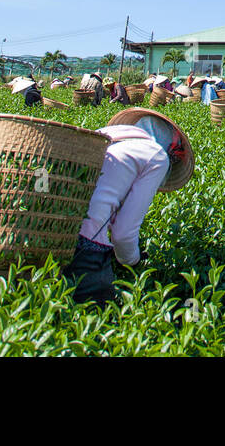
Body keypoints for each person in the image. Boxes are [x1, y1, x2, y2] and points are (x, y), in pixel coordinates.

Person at [64, 107, 195, 304]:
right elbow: (123, 233)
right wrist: (132, 262)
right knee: (94, 316)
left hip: (50, 229)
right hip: (85, 244)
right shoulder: (156, 155)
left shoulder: (105, 136)